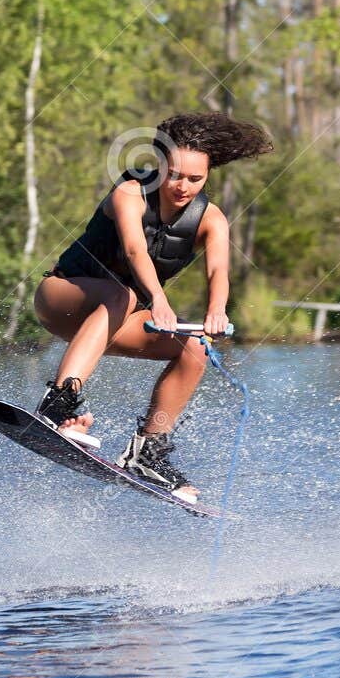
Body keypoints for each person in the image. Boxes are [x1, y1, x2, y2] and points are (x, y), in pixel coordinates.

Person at [33, 112, 273, 502]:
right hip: (63, 297)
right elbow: (133, 249)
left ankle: (147, 449)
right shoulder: (129, 192)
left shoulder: (211, 219)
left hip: (113, 322)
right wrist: (158, 300)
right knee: (123, 294)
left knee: (194, 347)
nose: (183, 186)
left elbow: (219, 271)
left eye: (195, 179)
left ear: (209, 175)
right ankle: (57, 402)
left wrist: (217, 310)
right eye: (175, 174)